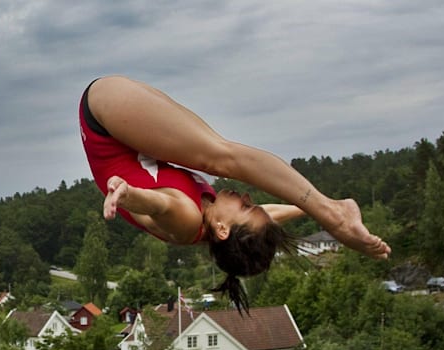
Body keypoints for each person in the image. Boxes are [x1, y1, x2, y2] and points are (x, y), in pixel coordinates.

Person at [80, 76, 390, 312]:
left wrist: (128, 194)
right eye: (251, 204)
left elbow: (159, 205)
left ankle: (336, 215)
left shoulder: (188, 221)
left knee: (223, 158)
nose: (245, 197)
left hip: (106, 118)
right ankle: (331, 212)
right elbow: (274, 212)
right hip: (118, 121)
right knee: (217, 148)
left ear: (224, 229)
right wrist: (304, 207)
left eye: (245, 208)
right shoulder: (212, 222)